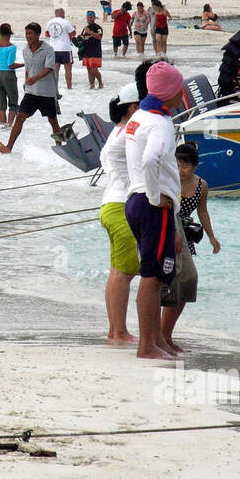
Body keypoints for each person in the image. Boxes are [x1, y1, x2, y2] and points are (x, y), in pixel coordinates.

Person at [122, 60, 188, 359]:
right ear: (169, 92)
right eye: (178, 88)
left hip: (134, 200)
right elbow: (150, 159)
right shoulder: (160, 122)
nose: (182, 93)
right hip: (151, 205)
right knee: (153, 276)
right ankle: (146, 345)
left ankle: (154, 340)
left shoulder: (139, 116)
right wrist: (154, 195)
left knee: (153, 273)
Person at [160, 142, 220, 353]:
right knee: (174, 281)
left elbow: (203, 211)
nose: (179, 170)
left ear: (195, 166)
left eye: (184, 166)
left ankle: (166, 334)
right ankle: (161, 335)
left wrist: (212, 237)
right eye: (176, 165)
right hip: (168, 230)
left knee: (185, 282)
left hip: (186, 235)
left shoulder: (201, 185)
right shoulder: (169, 181)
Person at [99, 93, 140, 345]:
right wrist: (133, 185)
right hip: (121, 205)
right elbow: (114, 157)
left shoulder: (116, 130)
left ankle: (115, 330)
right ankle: (120, 331)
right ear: (132, 107)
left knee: (117, 271)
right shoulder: (128, 133)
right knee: (124, 272)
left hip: (110, 204)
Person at [0, 23, 62, 153]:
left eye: (30, 33)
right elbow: (28, 68)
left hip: (46, 93)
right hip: (31, 92)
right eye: (26, 33)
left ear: (38, 35)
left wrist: (35, 78)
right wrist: (26, 82)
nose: (28, 36)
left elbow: (49, 69)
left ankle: (62, 148)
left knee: (53, 121)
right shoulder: (26, 50)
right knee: (20, 117)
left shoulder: (48, 49)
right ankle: (9, 147)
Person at [45, 7, 77, 90]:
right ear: (62, 13)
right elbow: (73, 33)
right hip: (65, 48)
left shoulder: (49, 22)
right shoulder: (65, 22)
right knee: (68, 70)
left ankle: (55, 88)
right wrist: (74, 28)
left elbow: (47, 34)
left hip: (54, 49)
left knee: (55, 70)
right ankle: (69, 87)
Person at [80, 11, 104, 88]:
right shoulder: (85, 28)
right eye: (88, 17)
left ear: (94, 18)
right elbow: (83, 38)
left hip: (95, 52)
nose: (89, 19)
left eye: (91, 17)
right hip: (86, 52)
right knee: (89, 70)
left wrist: (90, 32)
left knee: (94, 69)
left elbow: (99, 37)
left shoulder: (98, 28)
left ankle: (100, 83)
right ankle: (92, 85)